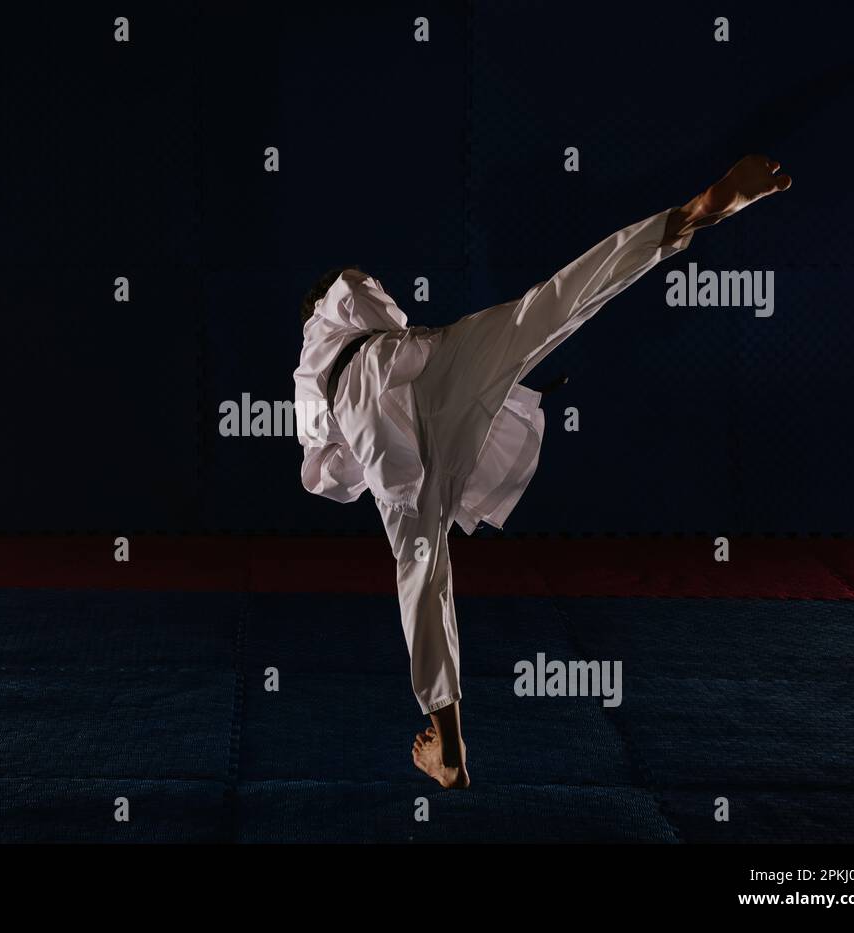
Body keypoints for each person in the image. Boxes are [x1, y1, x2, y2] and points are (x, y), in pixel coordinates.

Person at [292, 155, 792, 788]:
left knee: (421, 562)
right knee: (546, 310)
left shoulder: (311, 362)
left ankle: (448, 742)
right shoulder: (345, 293)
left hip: (363, 409)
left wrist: (376, 466)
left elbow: (326, 472)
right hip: (417, 358)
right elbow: (384, 319)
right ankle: (688, 216)